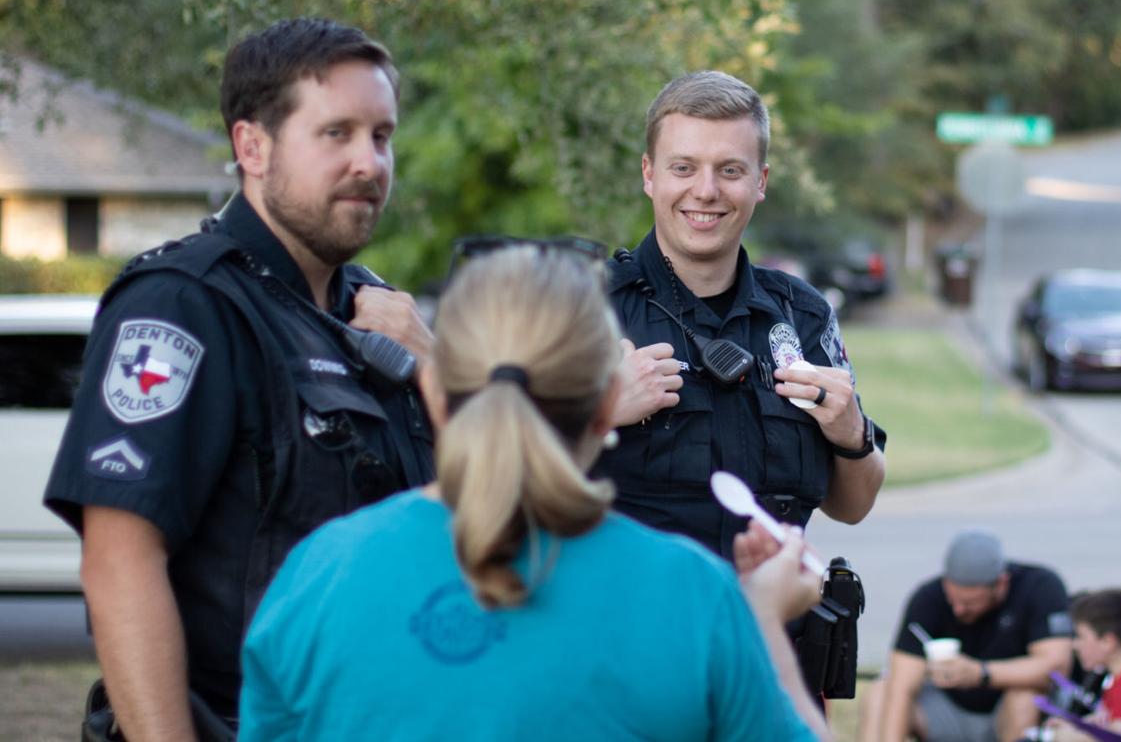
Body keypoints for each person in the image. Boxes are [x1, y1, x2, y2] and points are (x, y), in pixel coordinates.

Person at [237, 246, 830, 741]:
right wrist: (763, 624)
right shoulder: (695, 597)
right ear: (607, 407)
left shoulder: (319, 575)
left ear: (435, 393)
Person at [44, 18, 437, 735]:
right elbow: (120, 562)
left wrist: (437, 365)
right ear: (251, 145)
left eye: (381, 136)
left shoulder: (377, 315)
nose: (369, 163)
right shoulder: (185, 304)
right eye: (336, 133)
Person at [596, 69, 885, 560]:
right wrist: (595, 413)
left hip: (768, 628)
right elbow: (500, 481)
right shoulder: (585, 310)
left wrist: (852, 433)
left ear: (760, 181)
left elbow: (853, 506)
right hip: (633, 626)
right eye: (683, 168)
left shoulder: (804, 315)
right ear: (649, 174)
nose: (706, 191)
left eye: (730, 170)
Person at [860, 530, 1073, 742]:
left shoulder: (1040, 586)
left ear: (1001, 583)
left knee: (1025, 696)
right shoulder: (928, 598)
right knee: (881, 692)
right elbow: (901, 687)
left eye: (970, 603)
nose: (958, 610)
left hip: (1007, 713)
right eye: (953, 600)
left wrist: (980, 673)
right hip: (947, 712)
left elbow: (1056, 668)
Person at [1046, 589, 1121, 742]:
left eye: (1080, 637)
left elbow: (1118, 736)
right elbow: (1111, 721)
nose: (1075, 645)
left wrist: (1070, 736)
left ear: (1107, 642)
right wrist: (1077, 725)